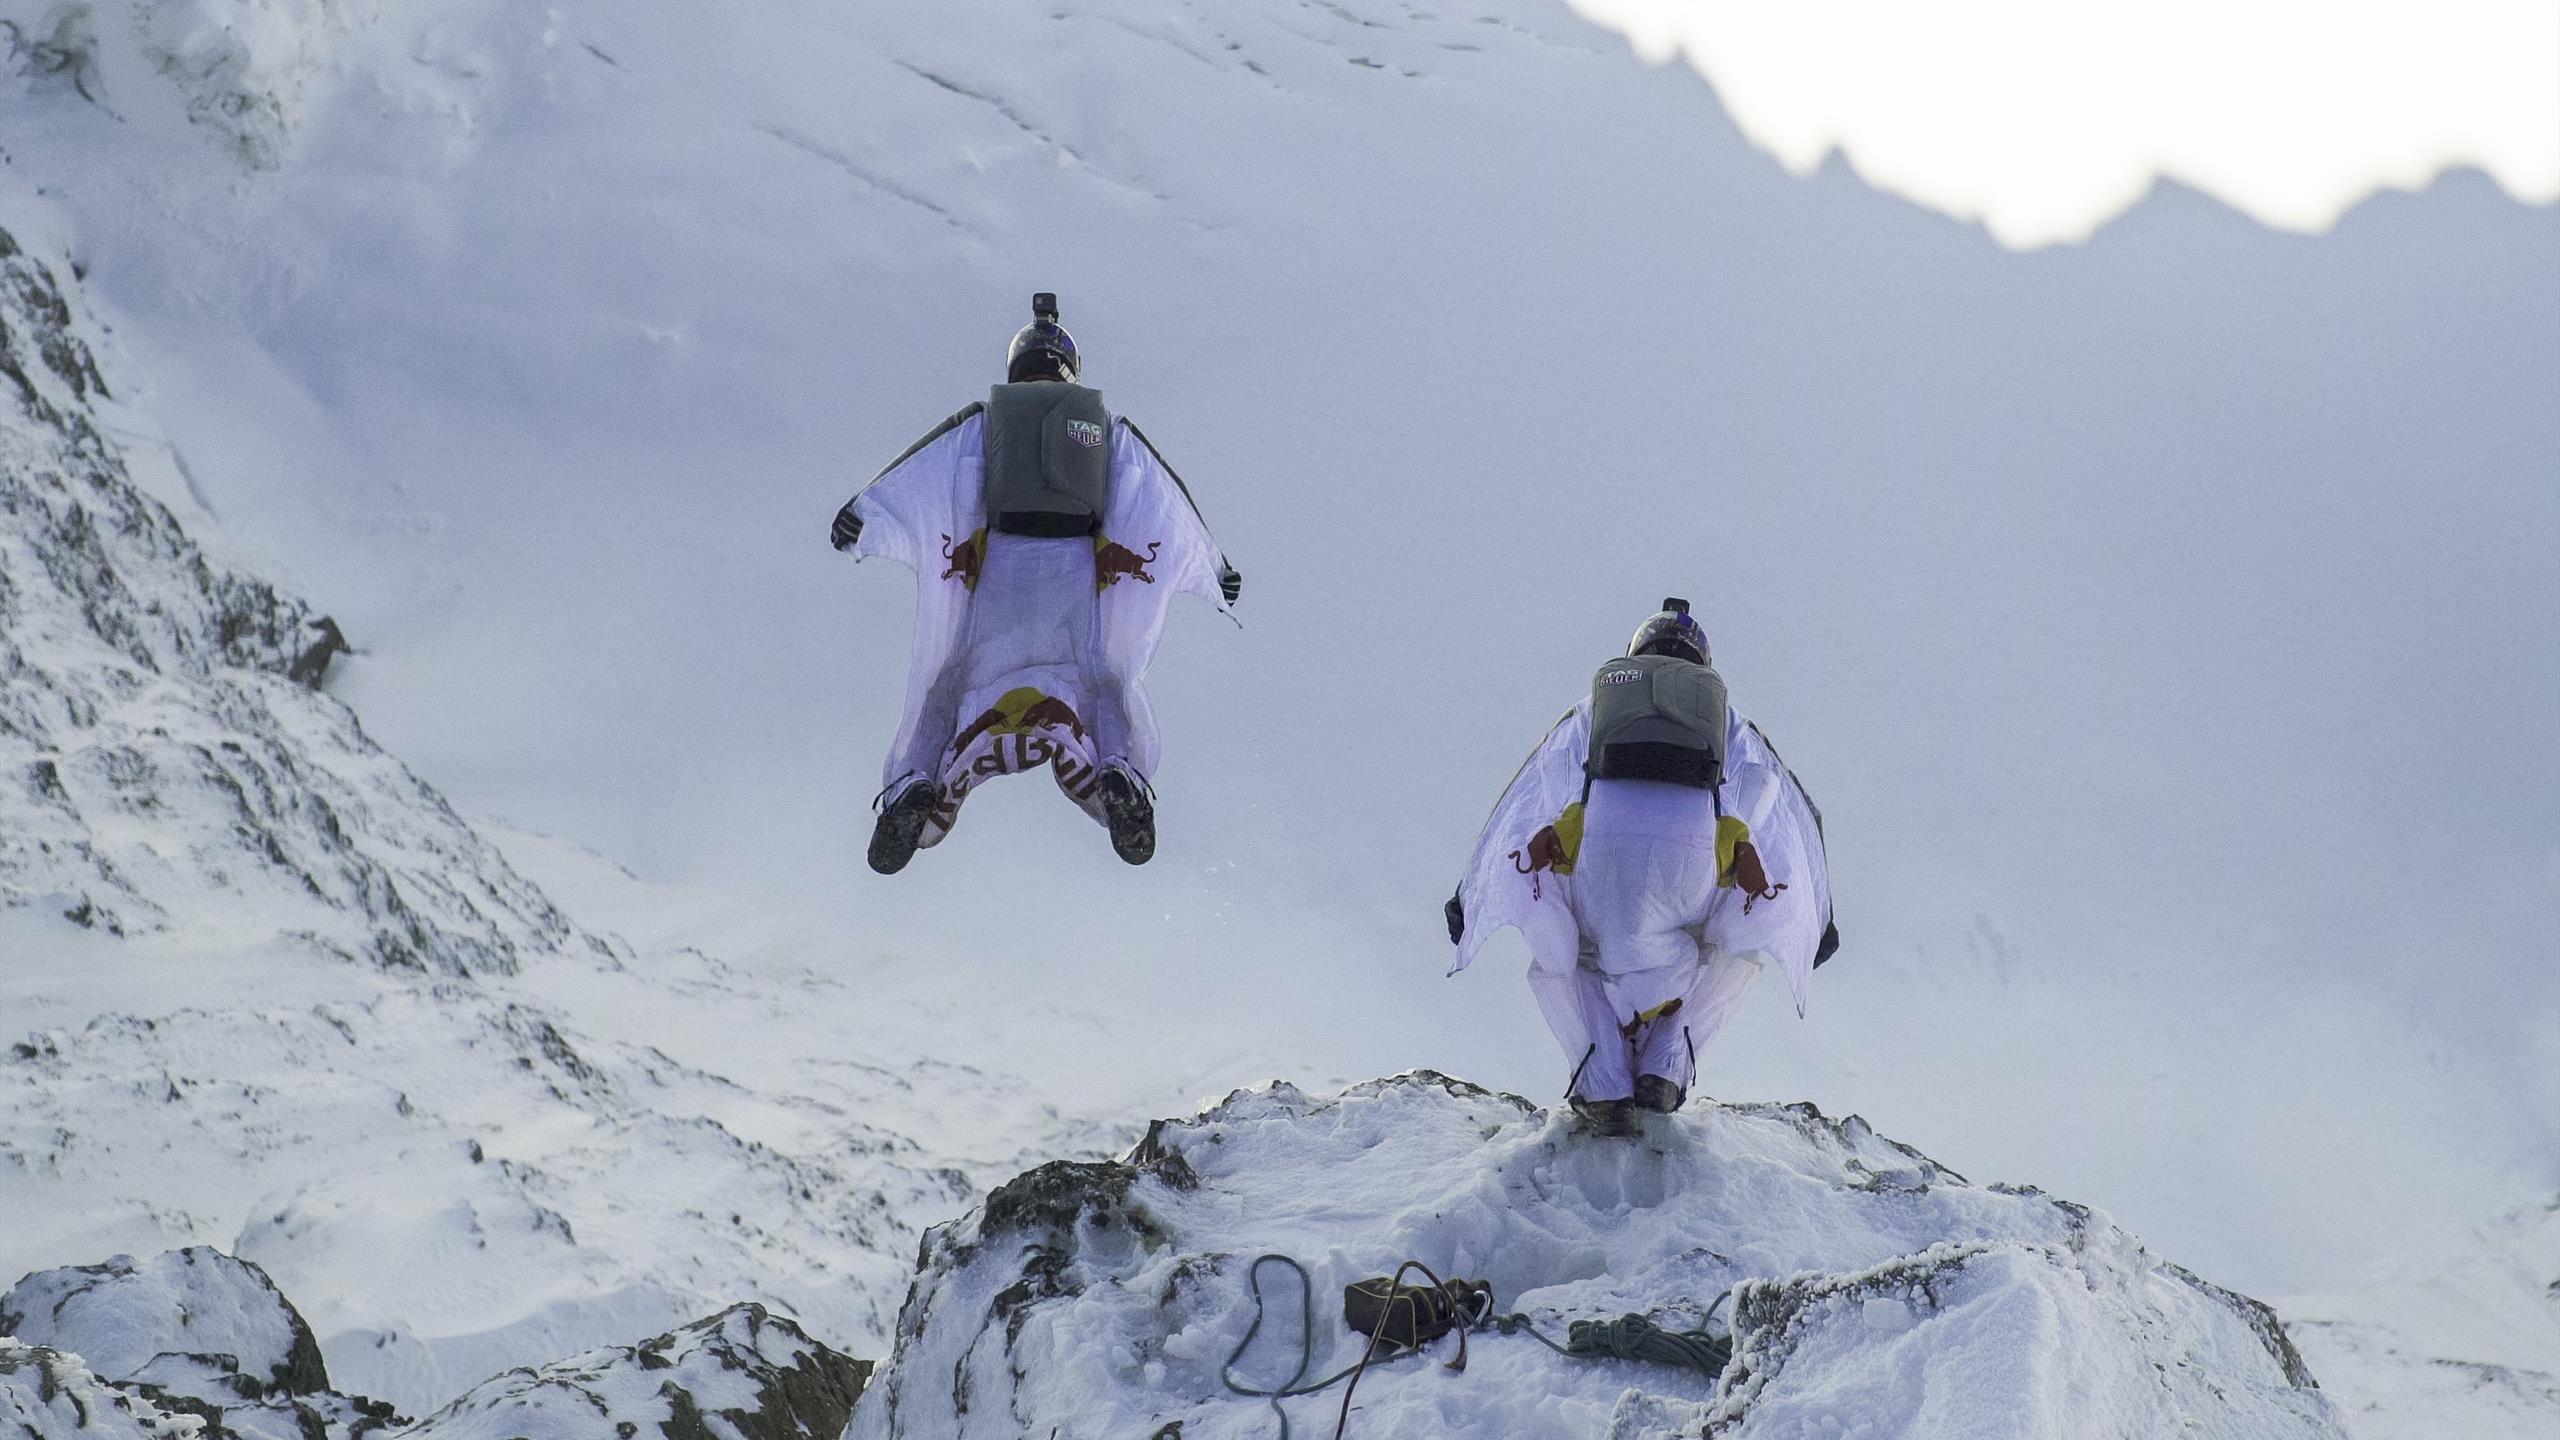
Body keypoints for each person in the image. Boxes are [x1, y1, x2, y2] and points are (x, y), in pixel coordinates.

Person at [830, 293, 1240, 874]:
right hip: (1076, 581)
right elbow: (1158, 492)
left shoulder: (984, 423)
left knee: (946, 688)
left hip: (997, 578)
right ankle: (1118, 774)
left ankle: (913, 793)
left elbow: (926, 468)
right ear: (1068, 364)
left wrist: (862, 517)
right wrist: (1214, 567)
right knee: (1104, 684)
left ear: (1016, 365)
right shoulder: (1108, 430)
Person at [1445, 599, 1837, 1136]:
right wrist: (1820, 915)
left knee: (1572, 960)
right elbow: (1787, 803)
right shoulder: (1729, 722)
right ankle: (1665, 1068)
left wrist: (1470, 893)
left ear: (1636, 653)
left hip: (1601, 851)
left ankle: (1602, 1086)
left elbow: (1530, 789)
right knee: (1721, 951)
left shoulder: (1595, 710)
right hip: (1693, 860)